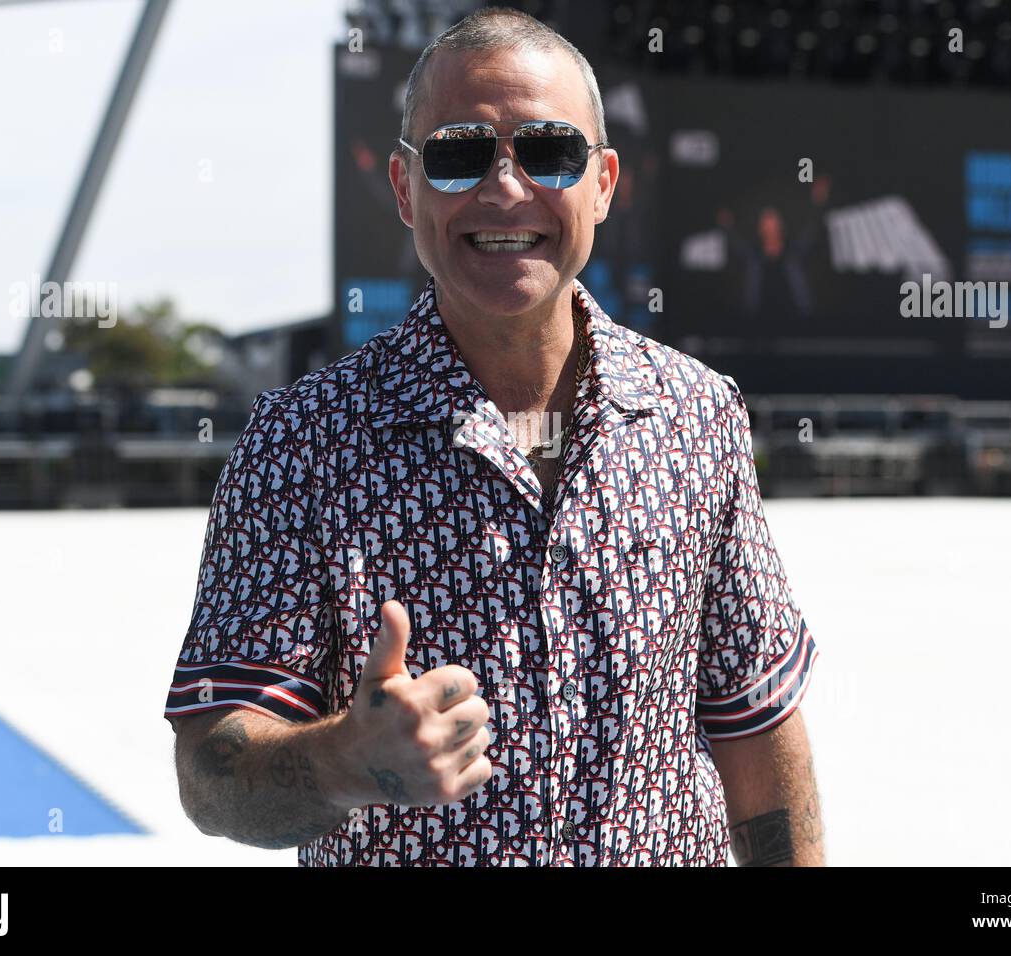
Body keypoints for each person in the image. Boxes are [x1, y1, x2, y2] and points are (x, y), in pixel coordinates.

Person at [165, 6, 822, 866]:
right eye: (458, 154)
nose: (505, 189)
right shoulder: (302, 445)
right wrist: (347, 764)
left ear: (604, 182)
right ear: (405, 189)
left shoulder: (698, 418)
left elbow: (757, 731)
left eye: (548, 151)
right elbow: (210, 775)